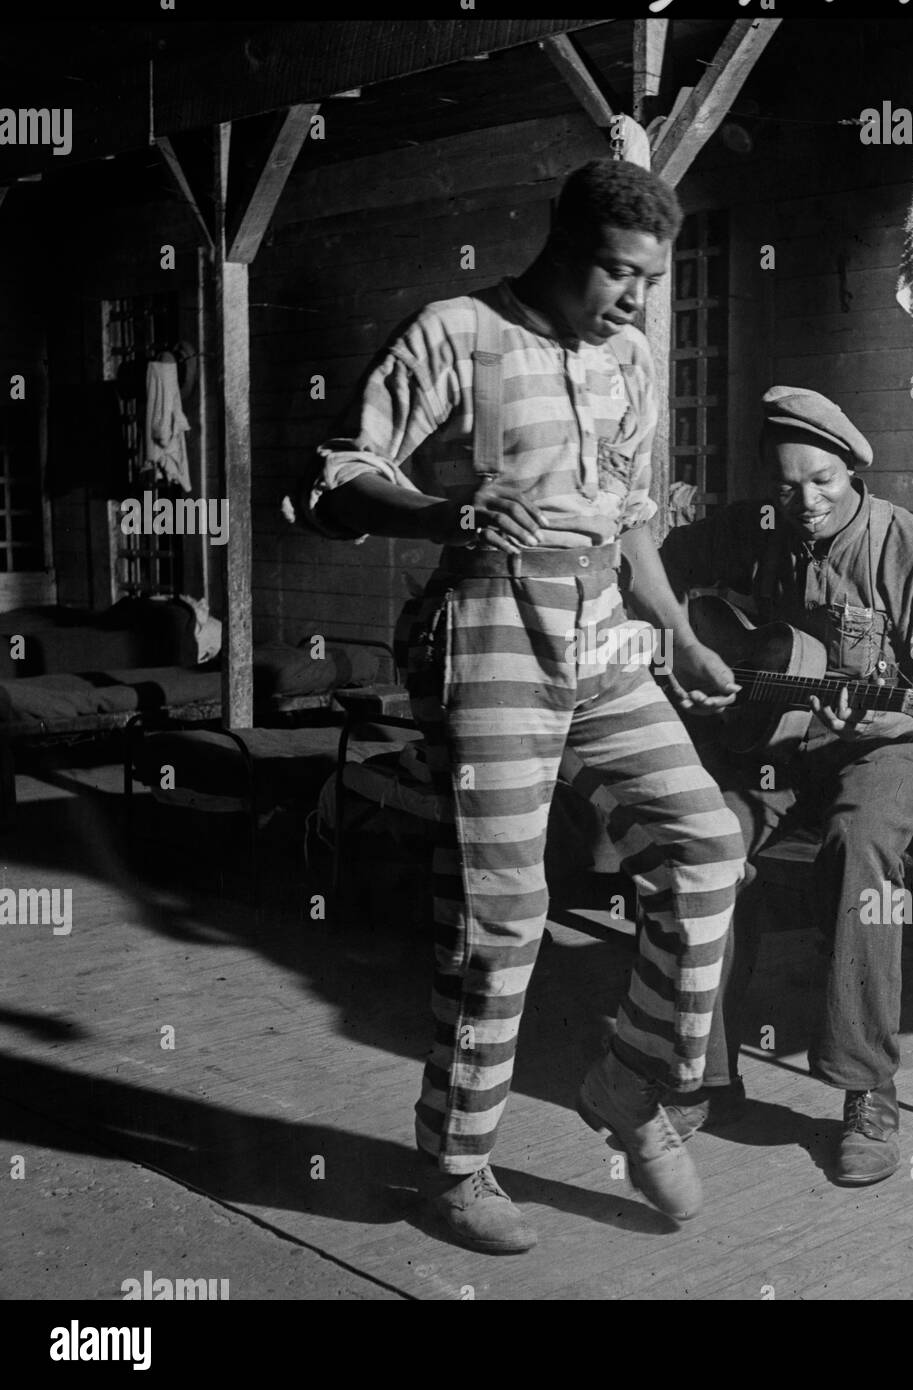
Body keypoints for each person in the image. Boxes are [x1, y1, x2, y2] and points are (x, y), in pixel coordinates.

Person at [294, 160, 747, 1254]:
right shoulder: (457, 332)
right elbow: (336, 479)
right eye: (619, 273)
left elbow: (630, 515)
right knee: (501, 911)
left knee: (705, 840)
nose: (636, 298)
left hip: (604, 633)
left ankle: (629, 1085)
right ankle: (455, 1164)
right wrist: (440, 510)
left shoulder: (632, 355)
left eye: (650, 277)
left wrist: (678, 633)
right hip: (488, 629)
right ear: (563, 242)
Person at [651, 387, 913, 1185]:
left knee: (859, 847)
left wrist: (891, 723)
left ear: (852, 475)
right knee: (705, 841)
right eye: (786, 485)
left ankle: (867, 1089)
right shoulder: (756, 529)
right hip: (773, 744)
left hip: (882, 744)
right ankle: (704, 1071)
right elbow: (655, 570)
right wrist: (685, 653)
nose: (803, 502)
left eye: (822, 483)